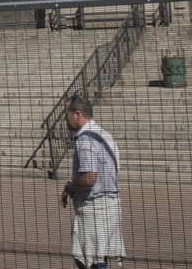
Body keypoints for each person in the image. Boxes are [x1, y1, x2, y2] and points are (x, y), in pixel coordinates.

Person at [61, 96, 125, 269]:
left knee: (89, 260)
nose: (64, 119)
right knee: (99, 257)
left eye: (66, 114)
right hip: (111, 205)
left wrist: (71, 186)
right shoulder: (104, 134)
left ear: (77, 114)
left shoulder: (85, 139)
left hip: (94, 208)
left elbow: (90, 177)